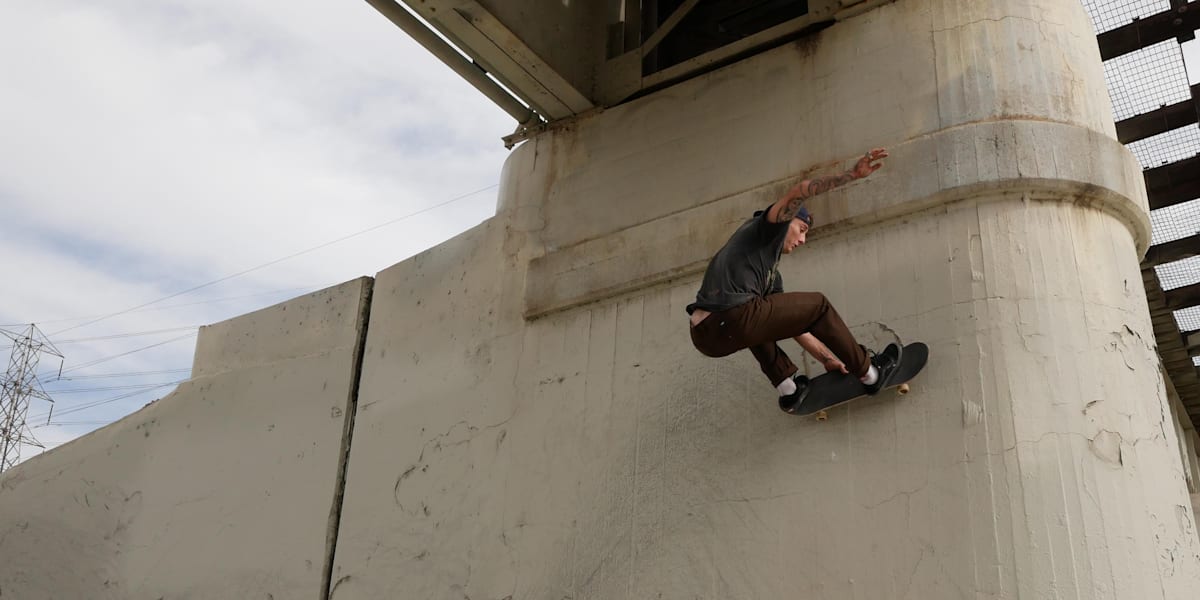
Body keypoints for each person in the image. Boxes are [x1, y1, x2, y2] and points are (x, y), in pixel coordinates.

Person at [686, 148, 898, 408]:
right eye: (802, 229)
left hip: (705, 337)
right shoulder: (765, 229)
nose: (803, 240)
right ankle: (870, 374)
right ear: (787, 221)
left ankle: (789, 389)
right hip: (732, 315)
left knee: (759, 321)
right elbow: (799, 192)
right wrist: (851, 175)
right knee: (819, 305)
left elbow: (793, 324)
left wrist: (826, 359)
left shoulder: (766, 274)